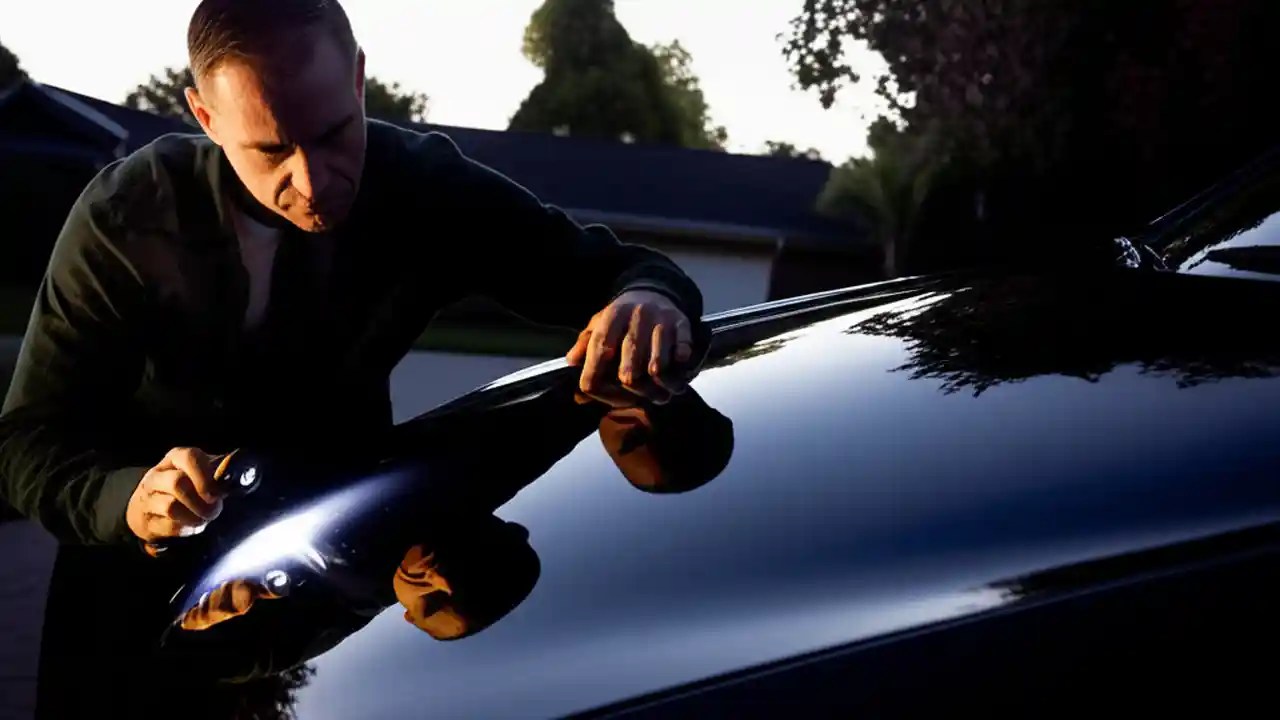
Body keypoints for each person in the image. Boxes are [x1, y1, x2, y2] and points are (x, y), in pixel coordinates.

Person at [0, 0, 705, 549]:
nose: (311, 181)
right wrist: (128, 500)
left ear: (360, 79)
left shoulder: (424, 188)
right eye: (271, 149)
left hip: (344, 593)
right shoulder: (124, 219)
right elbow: (28, 443)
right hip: (137, 616)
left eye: (335, 132)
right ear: (205, 116)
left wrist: (647, 298)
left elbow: (624, 270)